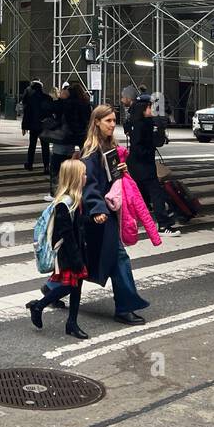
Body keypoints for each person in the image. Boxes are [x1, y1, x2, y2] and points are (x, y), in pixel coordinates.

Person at [81, 104, 150, 325]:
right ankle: (125, 307)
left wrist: (121, 172)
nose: (113, 124)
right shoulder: (91, 152)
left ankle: (53, 288)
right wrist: (97, 209)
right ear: (97, 123)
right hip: (99, 214)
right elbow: (88, 186)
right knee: (119, 258)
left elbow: (111, 181)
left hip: (109, 211)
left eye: (114, 120)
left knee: (87, 259)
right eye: (108, 121)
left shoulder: (110, 147)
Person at [26, 157, 90, 339]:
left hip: (76, 250)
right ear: (75, 178)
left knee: (76, 287)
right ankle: (39, 306)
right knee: (70, 286)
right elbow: (66, 234)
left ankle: (72, 323)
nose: (86, 177)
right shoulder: (64, 203)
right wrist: (76, 258)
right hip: (67, 253)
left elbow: (78, 226)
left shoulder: (76, 200)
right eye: (83, 174)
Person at [126, 94, 179, 236]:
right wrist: (152, 143)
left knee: (141, 193)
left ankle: (133, 220)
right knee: (156, 193)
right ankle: (163, 224)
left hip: (136, 164)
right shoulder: (144, 124)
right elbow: (145, 145)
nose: (151, 110)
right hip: (143, 164)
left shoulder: (134, 122)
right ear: (142, 109)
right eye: (148, 107)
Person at [49, 81, 92, 189]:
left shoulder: (67, 103)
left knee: (58, 163)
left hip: (67, 137)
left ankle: (56, 190)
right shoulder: (86, 103)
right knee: (84, 161)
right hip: (83, 135)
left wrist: (60, 98)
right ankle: (81, 185)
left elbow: (54, 109)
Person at [21, 79, 51, 171]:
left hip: (33, 126)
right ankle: (46, 166)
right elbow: (50, 112)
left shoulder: (30, 99)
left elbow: (26, 114)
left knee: (32, 145)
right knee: (45, 147)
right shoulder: (47, 98)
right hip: (44, 126)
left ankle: (29, 164)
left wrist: (24, 127)